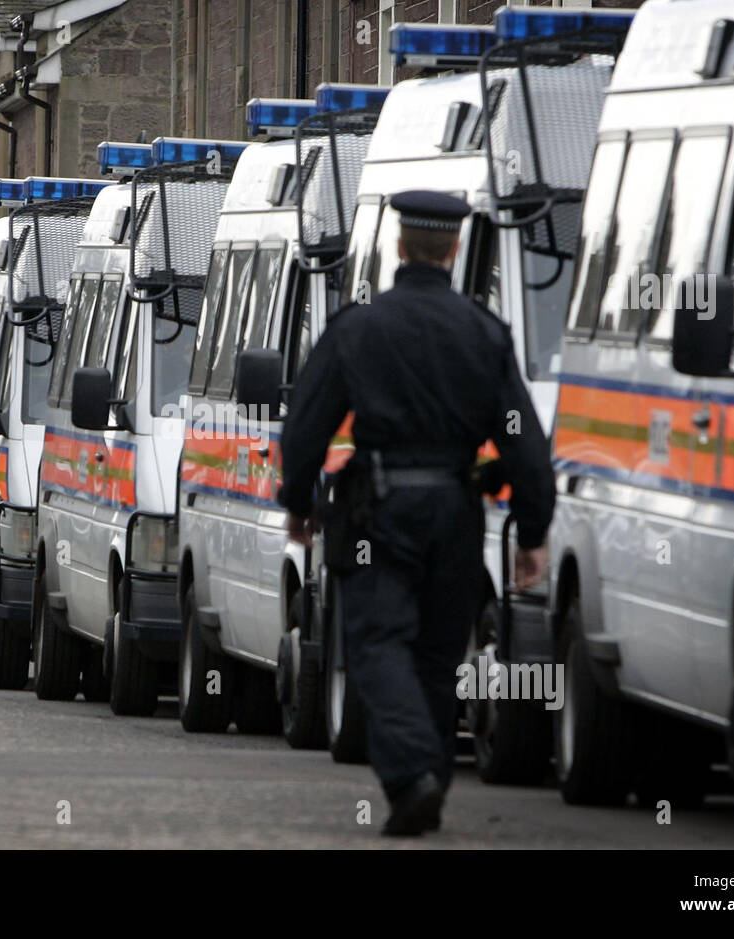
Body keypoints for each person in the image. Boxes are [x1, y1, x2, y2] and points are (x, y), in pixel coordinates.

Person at [277, 191, 556, 836]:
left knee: (378, 642)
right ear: (455, 250)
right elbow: (524, 441)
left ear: (400, 247)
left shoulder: (359, 325)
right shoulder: (484, 333)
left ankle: (411, 777)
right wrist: (533, 532)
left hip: (379, 512)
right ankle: (427, 773)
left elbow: (306, 426)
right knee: (436, 652)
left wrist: (299, 503)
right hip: (457, 512)